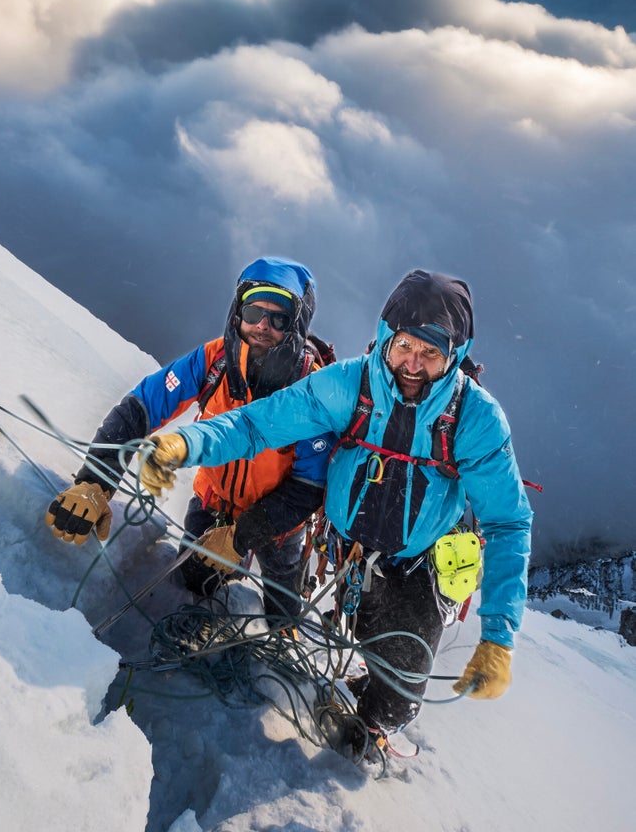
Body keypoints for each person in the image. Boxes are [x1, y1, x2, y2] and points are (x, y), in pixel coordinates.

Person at [136, 269, 533, 752]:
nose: (412, 364)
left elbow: (507, 521)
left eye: (431, 353)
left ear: (454, 357)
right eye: (405, 345)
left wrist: (499, 636)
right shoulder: (350, 384)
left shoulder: (475, 419)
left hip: (416, 563)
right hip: (348, 549)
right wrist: (187, 443)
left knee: (399, 689)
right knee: (365, 630)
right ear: (387, 337)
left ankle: (375, 726)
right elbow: (257, 424)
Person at [45, 256, 335, 626]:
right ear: (237, 313)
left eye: (278, 318)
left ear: (296, 325)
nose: (262, 325)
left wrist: (240, 537)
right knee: (193, 583)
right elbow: (140, 409)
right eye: (253, 311)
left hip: (278, 525)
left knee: (282, 605)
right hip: (213, 501)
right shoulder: (214, 360)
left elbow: (307, 486)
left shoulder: (313, 391)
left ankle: (280, 643)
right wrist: (94, 483)